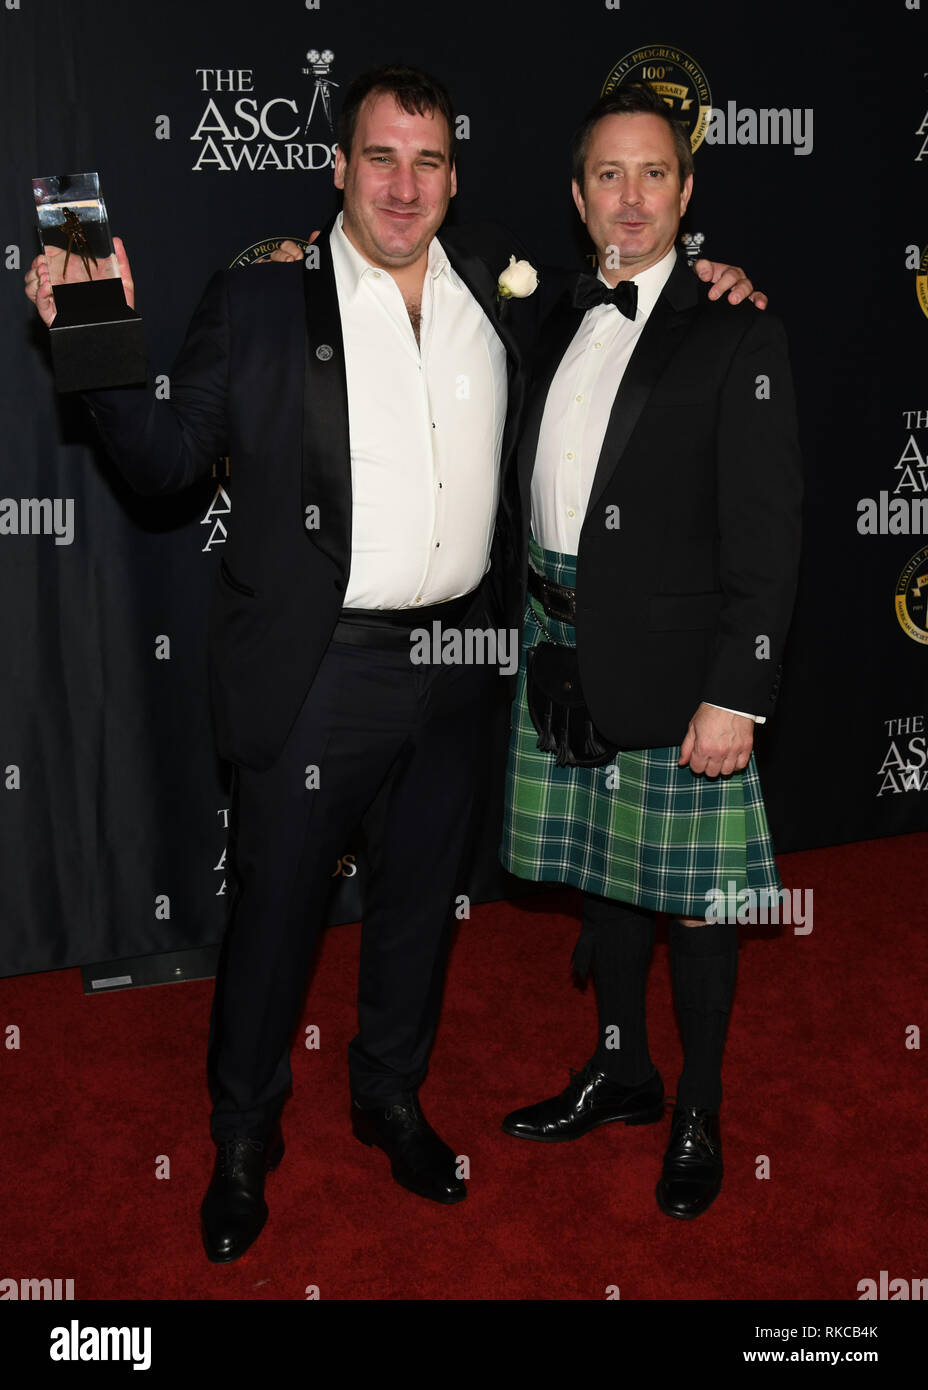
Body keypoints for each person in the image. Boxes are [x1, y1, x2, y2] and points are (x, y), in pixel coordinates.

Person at [25, 64, 759, 1263]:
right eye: (380, 157)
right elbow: (162, 466)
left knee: (421, 906)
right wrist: (96, 343)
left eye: (426, 162)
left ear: (454, 179)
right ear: (338, 169)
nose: (403, 185)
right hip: (319, 669)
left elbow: (634, 307)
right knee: (276, 922)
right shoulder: (260, 298)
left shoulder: (500, 283)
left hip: (464, 659)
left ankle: (388, 1099)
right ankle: (244, 1139)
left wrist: (720, 282)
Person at [499, 83, 803, 1220]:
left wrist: (740, 688)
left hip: (682, 666)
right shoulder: (547, 312)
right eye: (609, 177)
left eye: (655, 174)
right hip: (553, 635)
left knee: (698, 901)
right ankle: (624, 1069)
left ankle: (700, 1104)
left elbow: (770, 534)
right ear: (578, 198)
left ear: (687, 191)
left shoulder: (737, 328)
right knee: (603, 883)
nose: (631, 199)